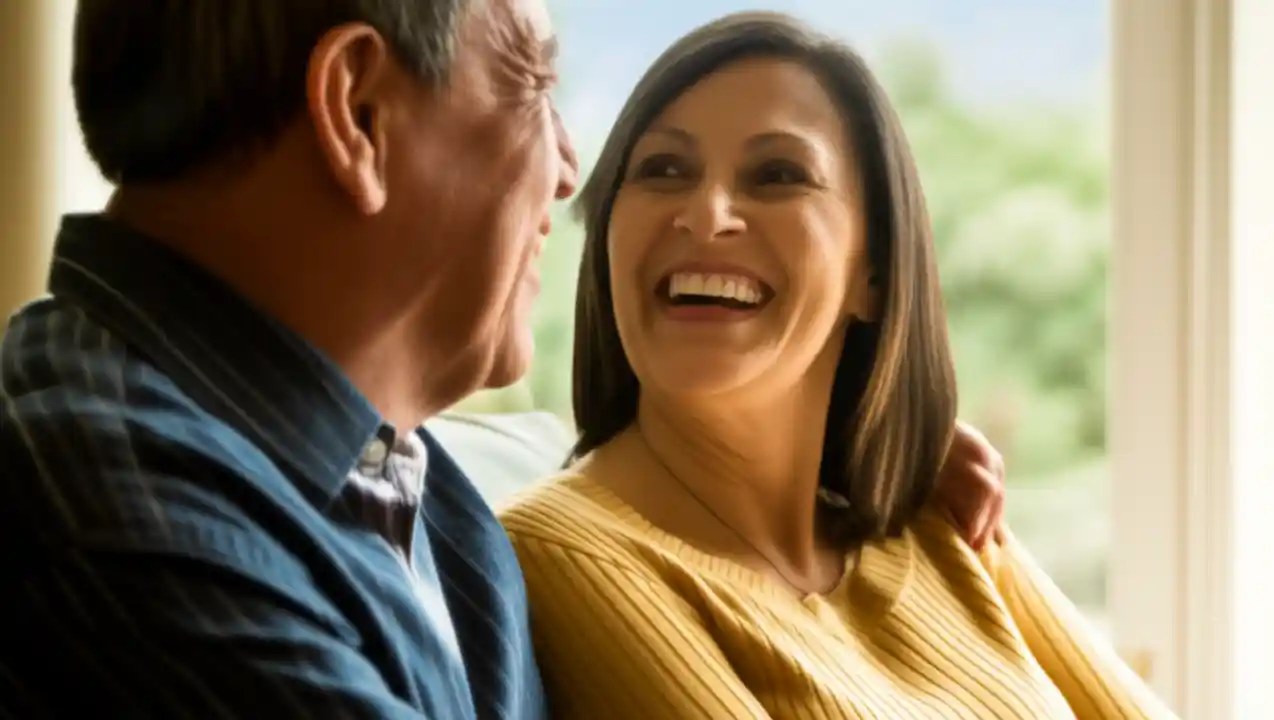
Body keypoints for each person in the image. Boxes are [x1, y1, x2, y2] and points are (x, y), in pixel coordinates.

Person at [0, 2, 1007, 718]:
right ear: (358, 114)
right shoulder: (115, 512)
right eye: (532, 85)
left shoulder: (409, 491)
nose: (568, 168)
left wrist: (862, 439)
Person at [501, 12, 1176, 720]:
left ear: (874, 272)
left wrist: (905, 448)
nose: (706, 215)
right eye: (663, 170)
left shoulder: (938, 518)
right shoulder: (562, 550)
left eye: (778, 175)